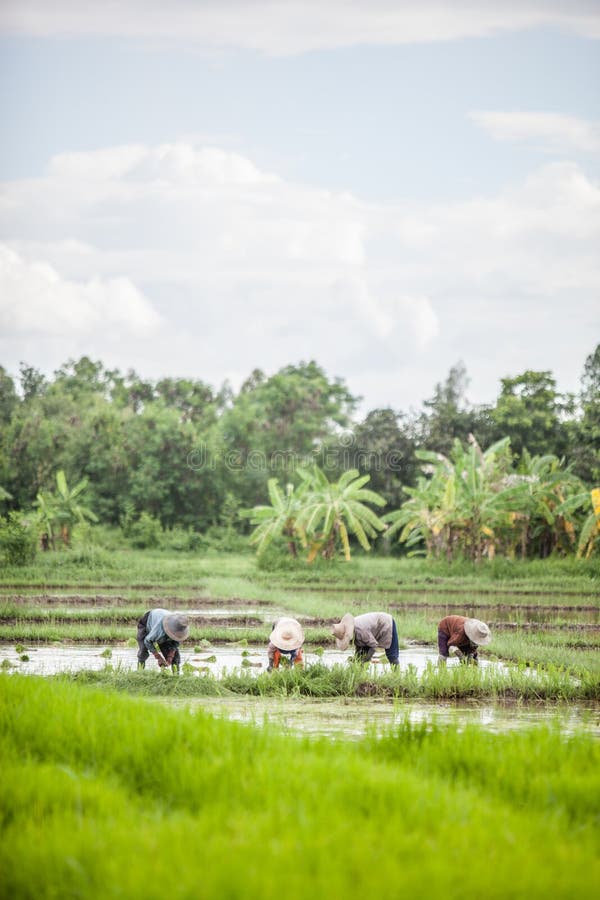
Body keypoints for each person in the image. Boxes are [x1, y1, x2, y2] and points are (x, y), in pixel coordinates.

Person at [331, 612, 399, 666]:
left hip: (386, 623)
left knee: (391, 655)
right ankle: (360, 675)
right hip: (373, 628)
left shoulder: (361, 631)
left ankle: (397, 675)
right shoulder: (354, 632)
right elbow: (360, 648)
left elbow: (373, 646)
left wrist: (366, 659)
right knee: (361, 656)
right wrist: (356, 659)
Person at [137, 608, 190, 673]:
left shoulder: (181, 627)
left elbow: (175, 644)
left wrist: (170, 656)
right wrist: (158, 657)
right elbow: (147, 641)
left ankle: (176, 676)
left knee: (175, 658)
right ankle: (140, 672)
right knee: (143, 651)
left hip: (164, 627)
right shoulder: (159, 630)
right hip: (147, 621)